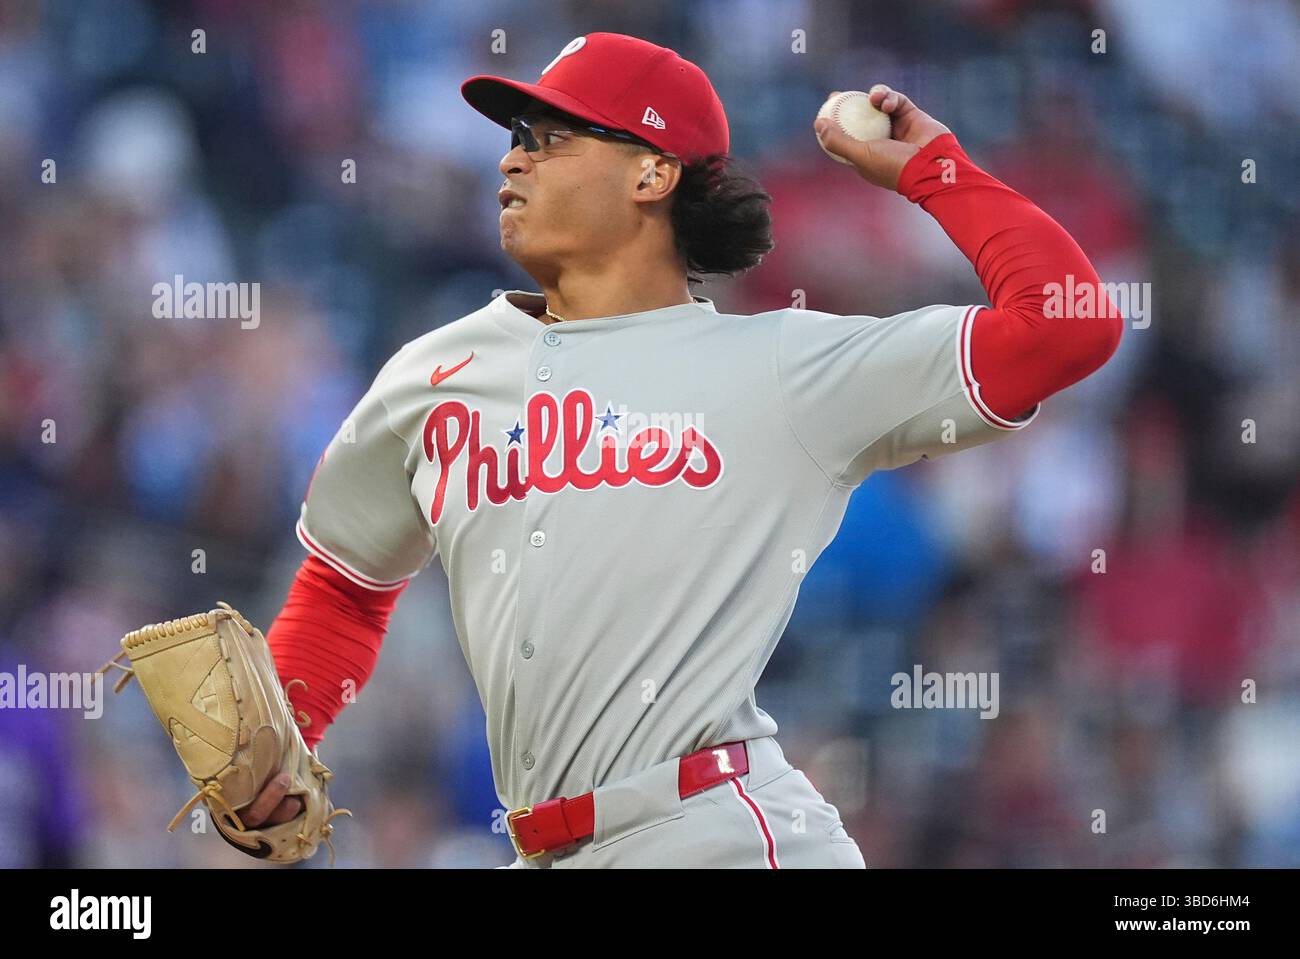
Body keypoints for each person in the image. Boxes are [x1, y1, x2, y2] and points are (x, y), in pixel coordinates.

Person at [247, 32, 1122, 868]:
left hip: (715, 834)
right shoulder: (434, 373)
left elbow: (1065, 326)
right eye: (515, 140)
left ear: (652, 172)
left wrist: (937, 174)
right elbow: (345, 589)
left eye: (550, 139)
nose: (512, 161)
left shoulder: (781, 368)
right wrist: (275, 750)